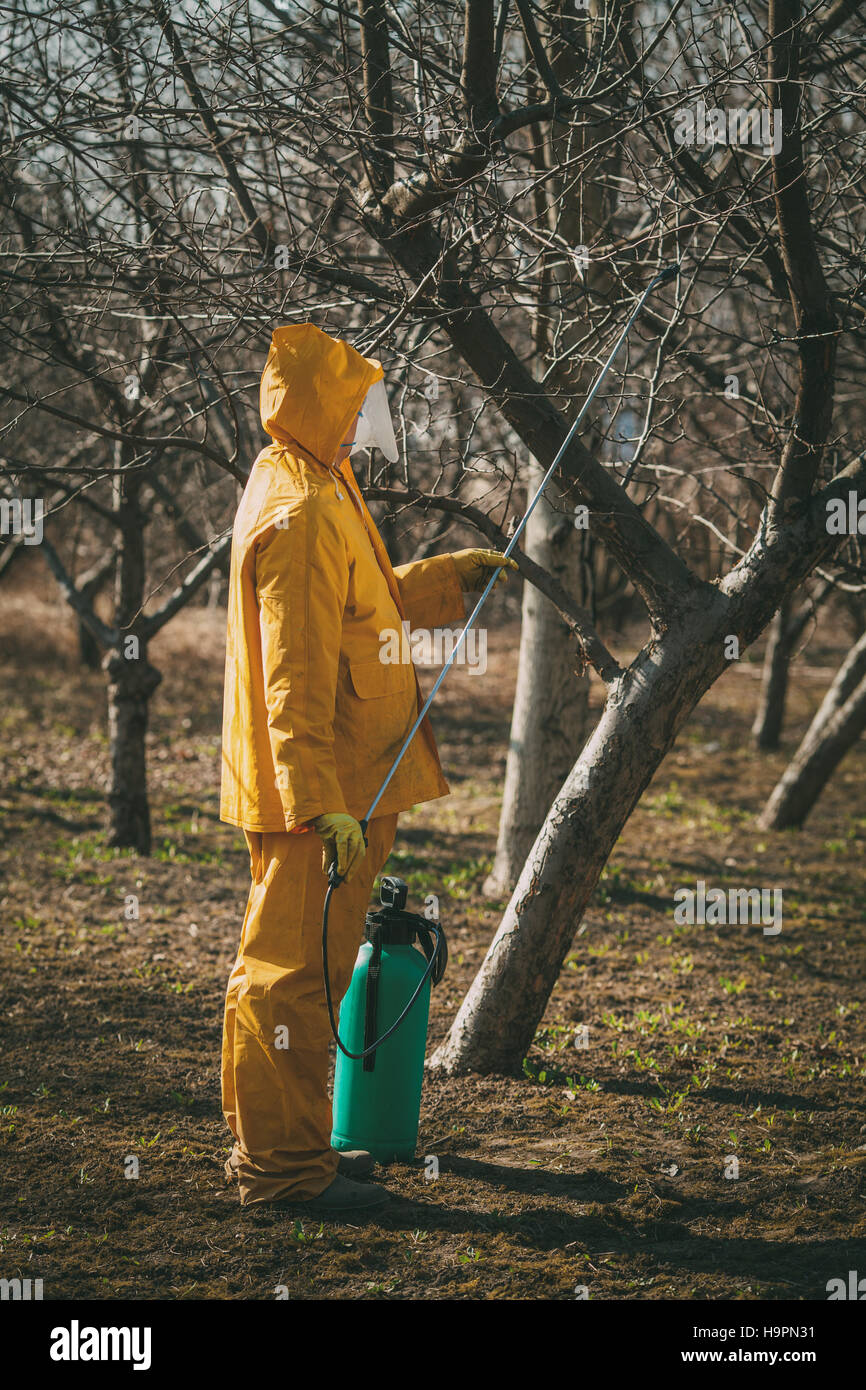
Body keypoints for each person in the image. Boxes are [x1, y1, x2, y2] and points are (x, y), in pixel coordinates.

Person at [220, 323, 515, 1210]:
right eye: (349, 410)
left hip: (351, 780)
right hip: (328, 791)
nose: (361, 427)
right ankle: (284, 1176)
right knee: (287, 982)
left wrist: (445, 580)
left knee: (309, 971)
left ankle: (298, 1150)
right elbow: (295, 678)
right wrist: (322, 807)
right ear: (316, 409)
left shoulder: (317, 476)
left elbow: (361, 604)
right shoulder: (302, 509)